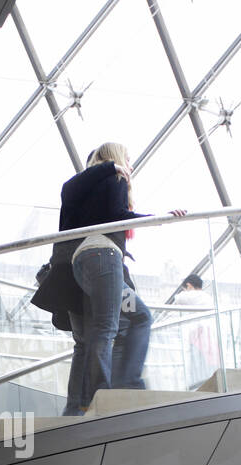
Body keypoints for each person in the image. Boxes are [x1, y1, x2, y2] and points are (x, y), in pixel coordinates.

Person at [47, 142, 186, 415]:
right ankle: (113, 389)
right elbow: (119, 217)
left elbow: (82, 199)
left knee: (90, 337)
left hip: (82, 266)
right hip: (104, 261)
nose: (131, 165)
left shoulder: (89, 189)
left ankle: (79, 405)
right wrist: (160, 217)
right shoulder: (115, 179)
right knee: (126, 321)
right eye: (128, 159)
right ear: (117, 158)